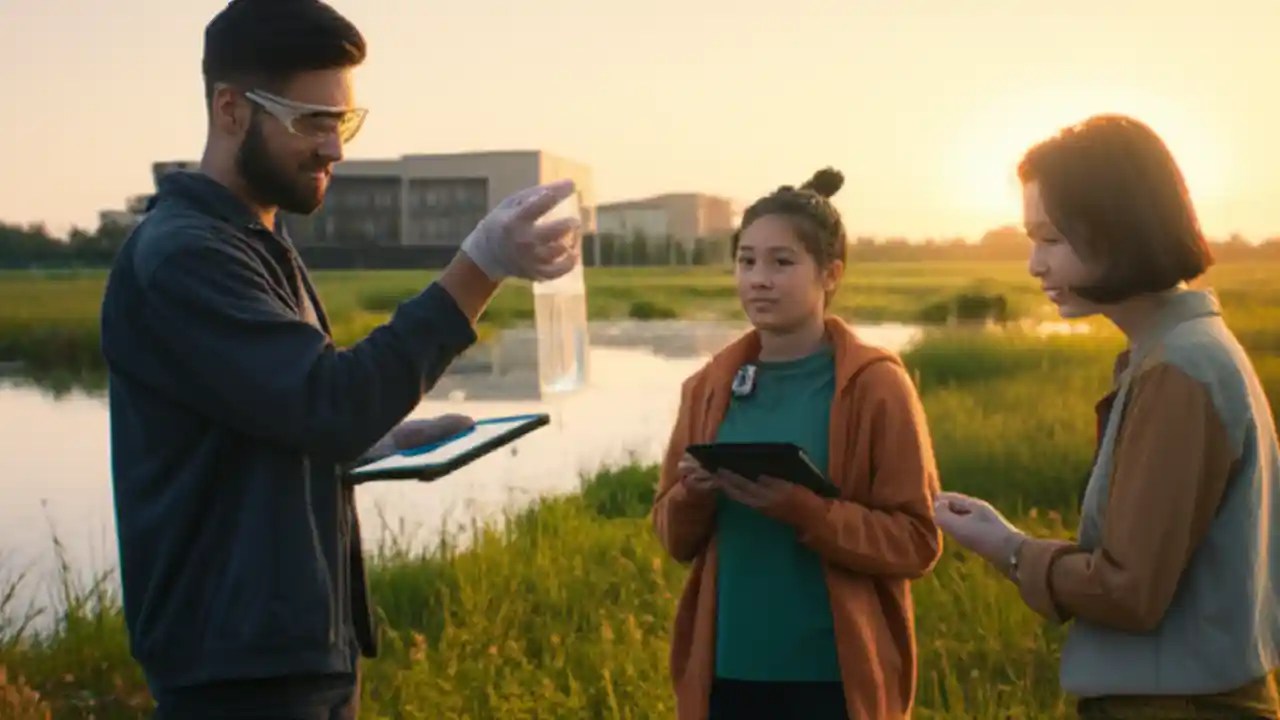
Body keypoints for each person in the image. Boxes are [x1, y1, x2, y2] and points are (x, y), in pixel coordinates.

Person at [98, 1, 580, 717]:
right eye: (312, 121)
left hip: (290, 652)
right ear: (230, 110)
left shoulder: (253, 237)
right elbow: (330, 404)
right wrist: (478, 266)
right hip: (237, 671)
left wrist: (378, 441)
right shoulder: (187, 256)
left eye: (344, 122)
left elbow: (287, 413)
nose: (335, 149)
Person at [935, 114, 1280, 719]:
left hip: (1175, 706)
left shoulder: (1180, 369)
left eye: (1051, 239)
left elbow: (1130, 592)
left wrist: (1011, 550)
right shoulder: (1183, 351)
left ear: (1119, 230)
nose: (1034, 265)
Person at [651, 168, 944, 720]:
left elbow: (917, 541)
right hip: (726, 674)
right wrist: (693, 494)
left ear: (830, 274)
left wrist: (805, 511)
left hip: (833, 678)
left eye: (781, 263)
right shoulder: (709, 386)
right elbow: (671, 535)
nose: (758, 279)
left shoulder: (876, 385)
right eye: (746, 261)